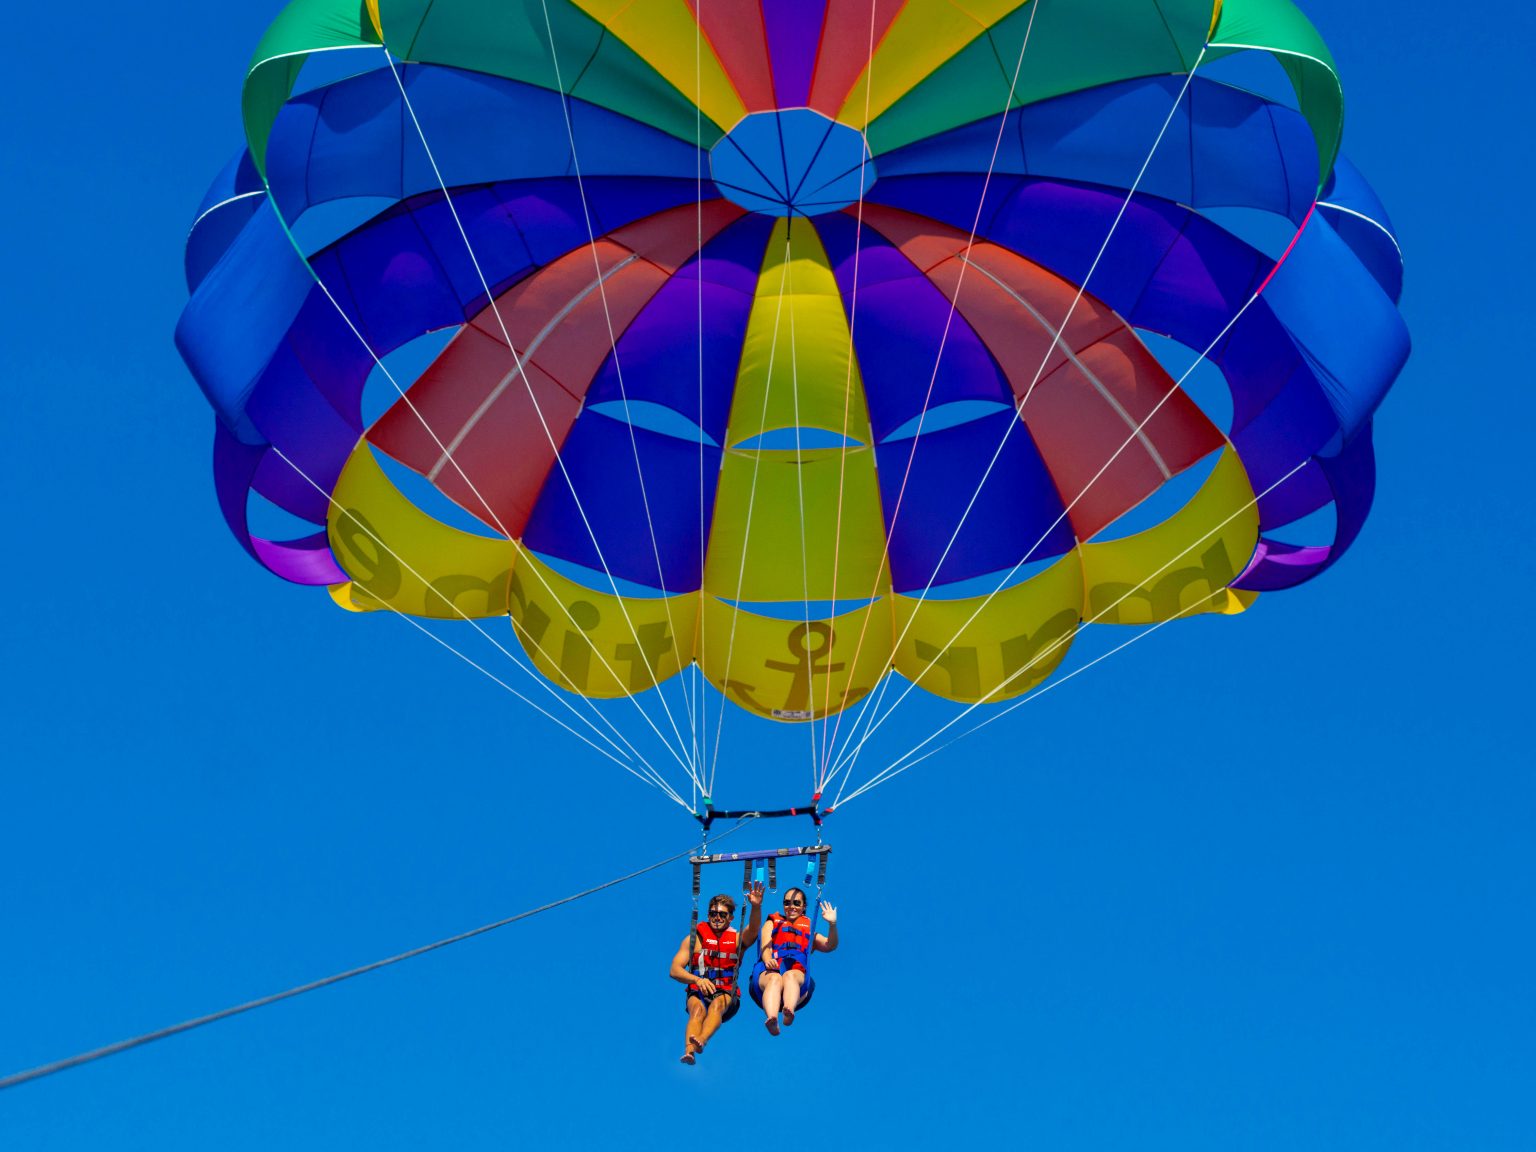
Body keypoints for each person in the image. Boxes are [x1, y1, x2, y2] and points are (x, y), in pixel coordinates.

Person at [669, 881, 764, 1064]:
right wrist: (697, 980)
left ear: (730, 918)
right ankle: (689, 1052)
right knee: (697, 1011)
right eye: (713, 914)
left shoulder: (736, 940)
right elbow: (674, 970)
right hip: (699, 989)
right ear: (708, 915)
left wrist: (756, 906)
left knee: (717, 1005)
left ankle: (701, 1040)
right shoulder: (694, 939)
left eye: (722, 914)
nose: (717, 918)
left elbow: (753, 930)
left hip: (726, 993)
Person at [749, 887, 838, 1035]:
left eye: (796, 903)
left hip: (798, 981)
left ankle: (788, 1010)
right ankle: (772, 1019)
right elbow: (765, 944)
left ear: (804, 907)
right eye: (787, 903)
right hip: (769, 973)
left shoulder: (809, 930)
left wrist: (832, 924)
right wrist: (768, 959)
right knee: (775, 978)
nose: (791, 906)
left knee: (790, 975)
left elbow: (830, 945)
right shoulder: (772, 922)